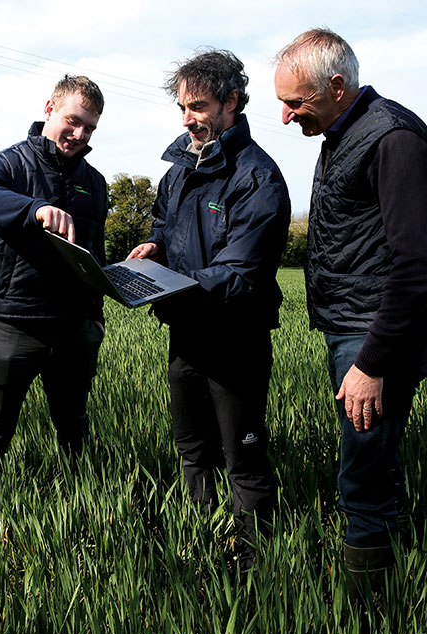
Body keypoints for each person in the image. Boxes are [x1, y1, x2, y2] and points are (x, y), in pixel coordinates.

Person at [273, 28, 427, 595]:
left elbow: (417, 266)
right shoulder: (343, 134)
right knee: (375, 463)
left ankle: (367, 620)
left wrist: (371, 363)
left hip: (375, 339)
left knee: (362, 476)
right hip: (352, 330)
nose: (286, 115)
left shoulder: (393, 138)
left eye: (295, 102)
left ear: (337, 86)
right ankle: (390, 584)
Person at [127, 50, 291, 571]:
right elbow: (164, 227)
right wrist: (152, 250)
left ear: (231, 102)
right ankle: (198, 545)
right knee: (192, 450)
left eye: (197, 106)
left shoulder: (257, 178)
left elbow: (240, 273)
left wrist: (165, 284)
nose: (187, 119)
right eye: (181, 108)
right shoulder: (177, 172)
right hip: (186, 336)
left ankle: (253, 567)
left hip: (236, 341)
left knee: (243, 459)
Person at [0, 75, 108, 524]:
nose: (79, 135)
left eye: (90, 128)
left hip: (75, 328)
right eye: (73, 121)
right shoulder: (7, 165)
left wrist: (98, 314)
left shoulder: (94, 182)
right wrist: (33, 209)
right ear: (50, 108)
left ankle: (76, 517)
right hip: (14, 324)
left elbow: (92, 253)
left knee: (74, 429)